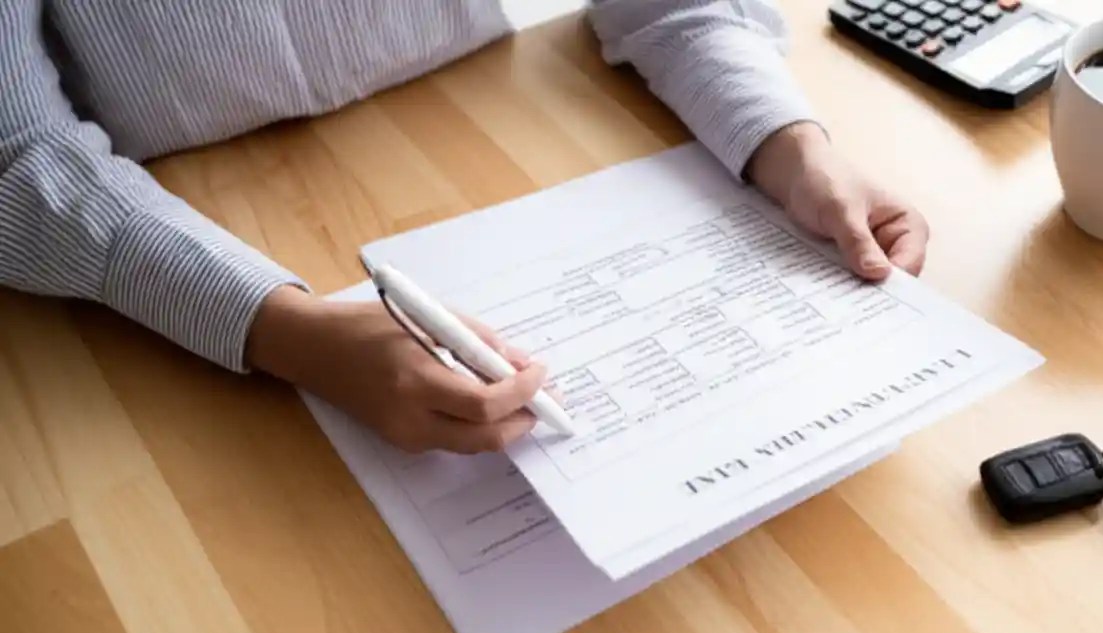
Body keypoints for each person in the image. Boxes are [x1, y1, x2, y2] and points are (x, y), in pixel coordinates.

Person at [0, 0, 929, 454]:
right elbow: (18, 150)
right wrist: (283, 327)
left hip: (495, 128)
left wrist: (784, 139)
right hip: (153, 248)